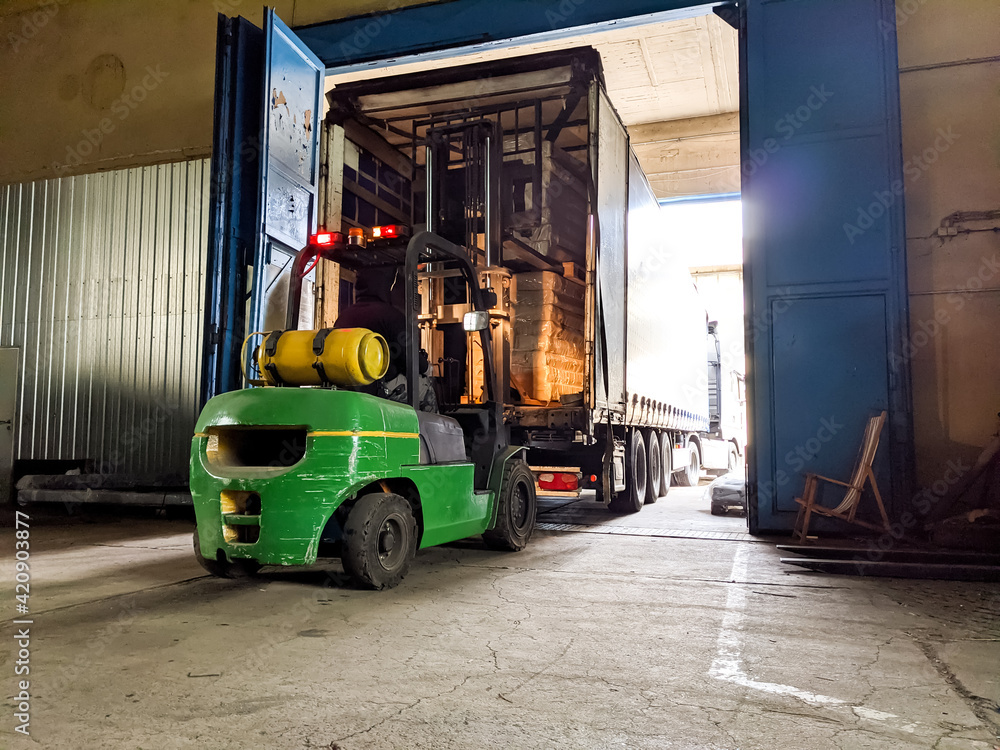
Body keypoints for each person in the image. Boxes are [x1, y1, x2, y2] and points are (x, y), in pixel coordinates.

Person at [334, 267, 438, 411]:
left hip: (348, 383)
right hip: (381, 385)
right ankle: (424, 432)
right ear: (385, 286)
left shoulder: (344, 316)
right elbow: (409, 359)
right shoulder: (390, 316)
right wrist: (427, 368)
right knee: (425, 388)